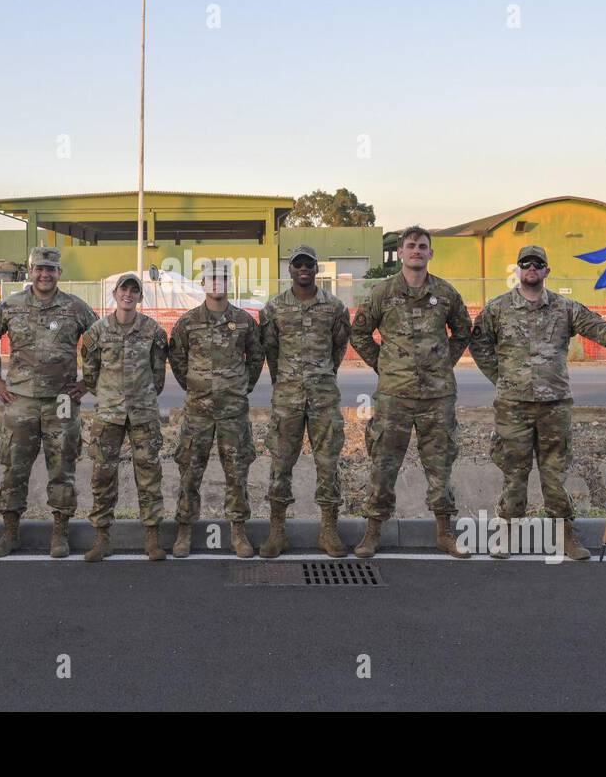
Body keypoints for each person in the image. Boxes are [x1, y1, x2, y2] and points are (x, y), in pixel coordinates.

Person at [470, 244, 606, 560]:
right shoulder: (498, 309)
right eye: (525, 263)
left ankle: (565, 536)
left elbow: (599, 329)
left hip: (554, 406)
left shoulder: (565, 308)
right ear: (518, 270)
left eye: (538, 264)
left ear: (546, 271)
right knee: (514, 473)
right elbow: (477, 343)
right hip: (512, 406)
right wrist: (501, 377)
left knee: (555, 475)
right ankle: (506, 534)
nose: (531, 268)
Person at [350, 226, 472, 559]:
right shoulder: (383, 293)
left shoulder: (446, 294)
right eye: (410, 246)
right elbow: (359, 334)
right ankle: (373, 532)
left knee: (440, 465)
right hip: (395, 397)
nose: (416, 250)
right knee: (383, 465)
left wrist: (443, 363)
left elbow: (463, 331)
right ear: (400, 253)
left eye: (422, 246)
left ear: (430, 253)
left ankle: (444, 533)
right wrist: (384, 366)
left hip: (437, 397)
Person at [0, 247, 98, 558]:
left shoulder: (75, 308)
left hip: (61, 400)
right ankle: (10, 532)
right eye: (39, 269)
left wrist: (88, 382)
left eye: (51, 269)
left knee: (62, 468)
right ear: (30, 272)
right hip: (21, 400)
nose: (45, 274)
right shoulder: (11, 305)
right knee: (14, 467)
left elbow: (102, 341)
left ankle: (59, 533)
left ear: (59, 273)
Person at [258, 244, 352, 558]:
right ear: (290, 269)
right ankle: (277, 532)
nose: (303, 269)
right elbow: (271, 352)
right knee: (280, 465)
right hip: (287, 399)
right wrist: (286, 381)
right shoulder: (273, 309)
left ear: (316, 269)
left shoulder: (335, 307)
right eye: (298, 264)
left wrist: (322, 376)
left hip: (324, 398)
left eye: (309, 265)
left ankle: (328, 531)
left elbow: (337, 350)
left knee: (328, 465)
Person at [168, 259, 265, 558]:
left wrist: (240, 387)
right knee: (189, 471)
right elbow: (178, 359)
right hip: (197, 411)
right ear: (203, 283)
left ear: (228, 282)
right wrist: (196, 386)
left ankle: (238, 531)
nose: (216, 283)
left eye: (222, 277)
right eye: (211, 278)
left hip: (233, 412)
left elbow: (256, 357)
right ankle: (184, 530)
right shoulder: (188, 322)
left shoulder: (245, 321)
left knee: (237, 473)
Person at [79, 272, 169, 562]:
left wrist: (140, 397)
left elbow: (158, 375)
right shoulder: (97, 332)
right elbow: (90, 373)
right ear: (115, 294)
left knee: (149, 475)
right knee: (103, 476)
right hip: (108, 414)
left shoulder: (153, 331)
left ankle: (152, 539)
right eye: (123, 289)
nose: (128, 295)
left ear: (140, 297)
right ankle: (102, 538)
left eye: (134, 290)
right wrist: (109, 395)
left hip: (143, 413)